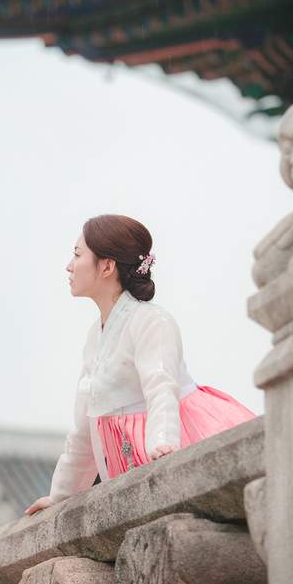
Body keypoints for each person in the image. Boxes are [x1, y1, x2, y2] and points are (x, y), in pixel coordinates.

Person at [25, 215, 256, 516]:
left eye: (77, 254)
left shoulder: (151, 321)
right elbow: (85, 426)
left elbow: (162, 388)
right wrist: (61, 496)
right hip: (129, 464)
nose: (69, 265)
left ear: (106, 266)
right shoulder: (95, 337)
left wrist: (164, 447)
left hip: (178, 441)